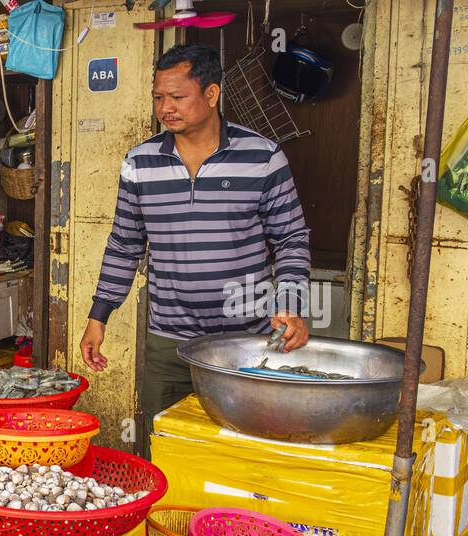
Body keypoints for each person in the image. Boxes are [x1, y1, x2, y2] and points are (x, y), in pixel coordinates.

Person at [79, 44, 311, 456]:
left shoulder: (262, 158)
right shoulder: (140, 162)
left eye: (177, 96)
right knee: (161, 449)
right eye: (158, 97)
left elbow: (291, 237)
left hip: (246, 342)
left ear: (211, 94)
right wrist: (99, 316)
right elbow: (124, 244)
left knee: (237, 452)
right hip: (170, 342)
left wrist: (291, 305)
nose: (165, 107)